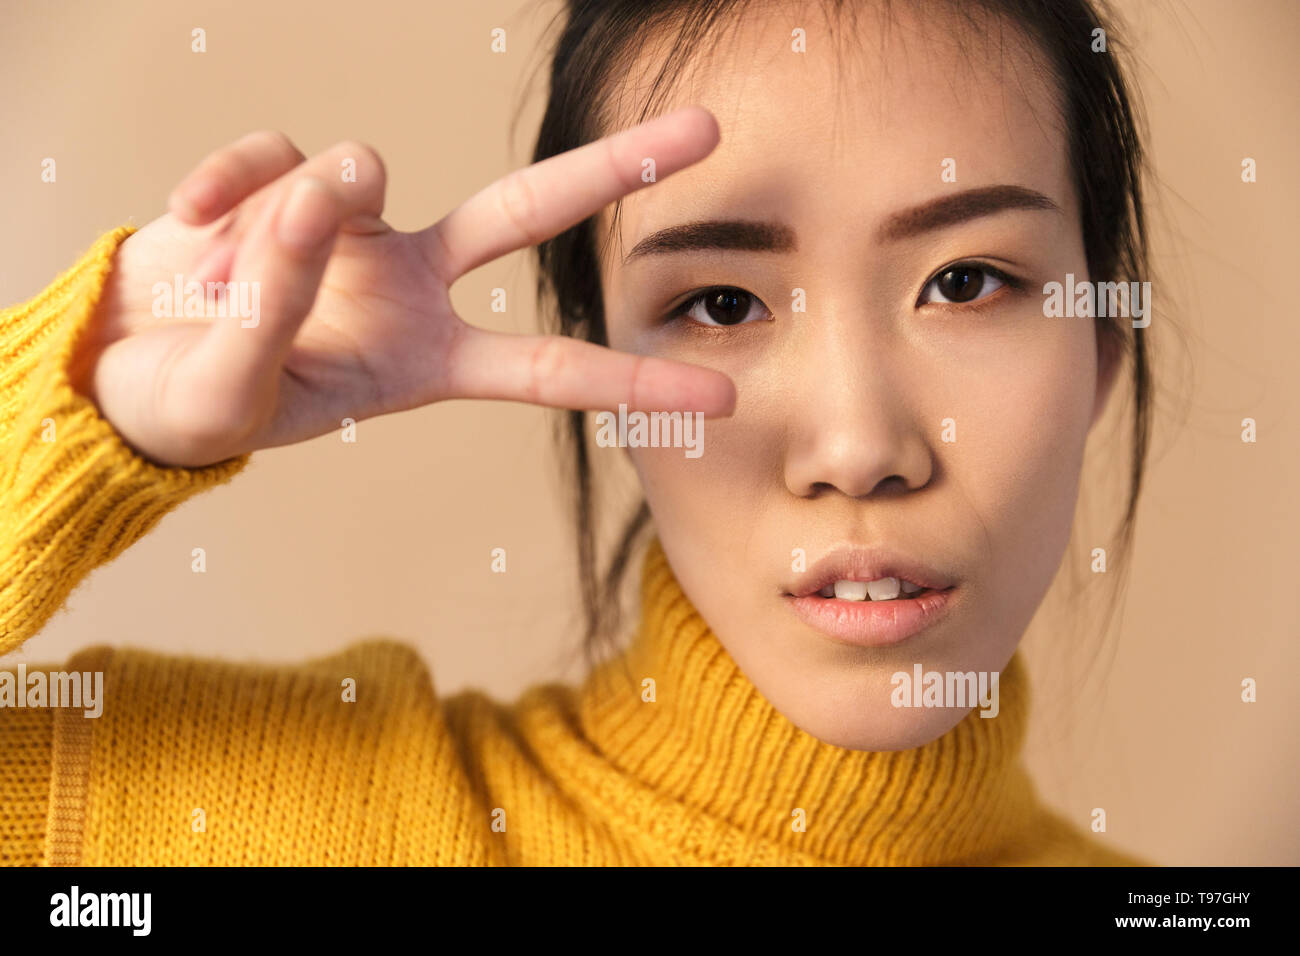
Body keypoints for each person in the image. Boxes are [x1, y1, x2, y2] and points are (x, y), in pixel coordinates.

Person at [0, 0, 1153, 865]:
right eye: (720, 303)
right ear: (601, 371)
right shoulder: (242, 827)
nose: (858, 447)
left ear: (1102, 347)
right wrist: (66, 399)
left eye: (965, 282)